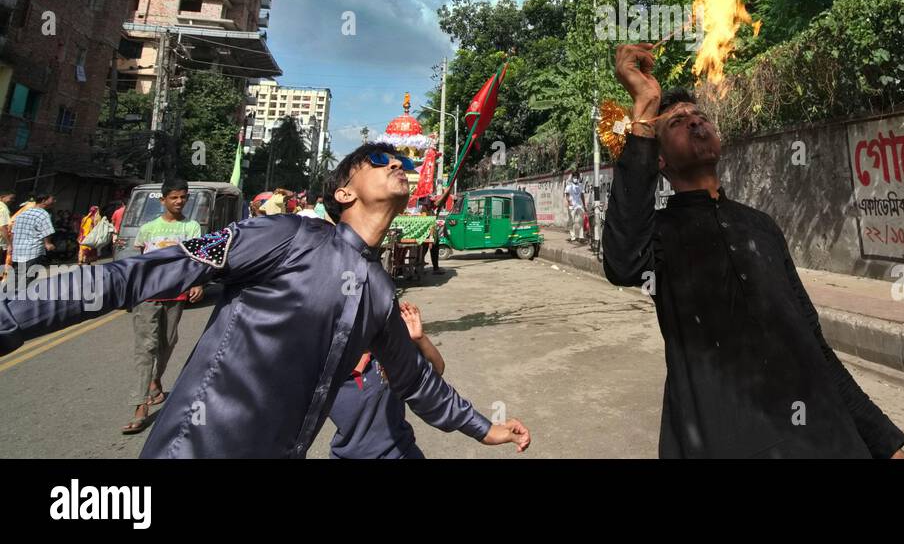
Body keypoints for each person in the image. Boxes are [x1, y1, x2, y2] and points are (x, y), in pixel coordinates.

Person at [0, 142, 531, 458]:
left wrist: (484, 428)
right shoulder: (281, 234)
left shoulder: (380, 292)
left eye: (399, 160)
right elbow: (133, 276)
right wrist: (11, 315)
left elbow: (416, 381)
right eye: (378, 158)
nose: (396, 163)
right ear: (344, 193)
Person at [603, 43, 904, 458]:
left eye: (701, 117)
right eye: (677, 122)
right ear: (659, 160)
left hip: (825, 440)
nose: (696, 123)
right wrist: (645, 105)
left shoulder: (761, 227)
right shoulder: (659, 236)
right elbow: (622, 263)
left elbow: (814, 345)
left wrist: (887, 446)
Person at [123, 177, 205, 435]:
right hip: (147, 294)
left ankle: (156, 381)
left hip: (177, 294)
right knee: (145, 348)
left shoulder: (192, 227)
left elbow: (196, 259)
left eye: (183, 197)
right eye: (174, 197)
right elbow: (138, 260)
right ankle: (140, 405)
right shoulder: (148, 229)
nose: (179, 201)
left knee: (167, 342)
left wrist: (198, 283)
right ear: (163, 200)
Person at [329, 302, 444, 459]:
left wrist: (419, 339)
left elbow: (437, 370)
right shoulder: (323, 370)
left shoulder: (387, 352)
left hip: (402, 452)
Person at [7, 193, 57, 282]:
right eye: (52, 199)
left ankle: (7, 294)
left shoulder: (23, 214)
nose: (54, 201)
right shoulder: (43, 214)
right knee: (29, 277)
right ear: (43, 201)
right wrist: (48, 243)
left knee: (16, 276)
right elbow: (46, 231)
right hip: (32, 252)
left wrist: (10, 246)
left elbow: (14, 232)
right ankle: (22, 294)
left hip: (18, 251)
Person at [565, 172, 586, 244]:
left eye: (576, 177)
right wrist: (569, 201)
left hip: (579, 205)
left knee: (581, 221)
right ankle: (573, 237)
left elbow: (582, 195)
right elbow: (567, 194)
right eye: (574, 177)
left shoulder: (580, 185)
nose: (575, 178)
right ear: (572, 178)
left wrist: (584, 205)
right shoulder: (569, 186)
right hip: (572, 206)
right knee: (572, 221)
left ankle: (581, 237)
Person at [0, 191, 15, 267]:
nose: (12, 201)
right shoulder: (3, 208)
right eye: (11, 198)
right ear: (3, 197)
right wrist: (9, 244)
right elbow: (3, 227)